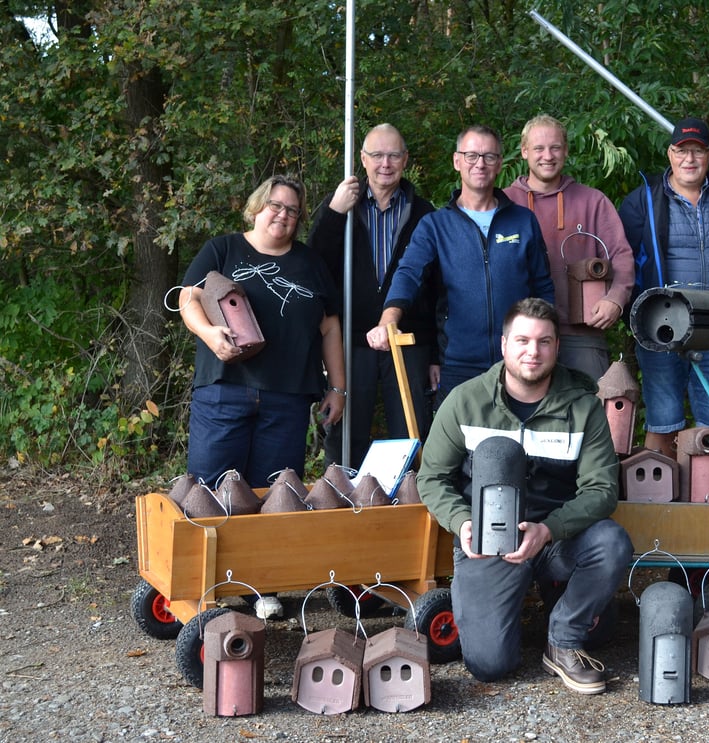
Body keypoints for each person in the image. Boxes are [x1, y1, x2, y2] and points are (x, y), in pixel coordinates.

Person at [417, 298, 633, 694]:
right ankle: (515, 606)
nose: (532, 352)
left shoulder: (584, 408)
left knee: (612, 541)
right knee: (489, 664)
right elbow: (431, 478)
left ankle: (563, 638)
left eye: (544, 342)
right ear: (504, 345)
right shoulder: (465, 401)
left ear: (556, 348)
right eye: (522, 340)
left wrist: (548, 530)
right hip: (488, 541)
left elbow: (602, 490)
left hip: (557, 538)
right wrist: (462, 522)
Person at [179, 174, 346, 619]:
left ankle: (260, 589)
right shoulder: (224, 249)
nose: (283, 215)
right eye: (276, 205)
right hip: (224, 391)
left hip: (288, 398)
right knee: (211, 490)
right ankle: (202, 590)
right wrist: (209, 332)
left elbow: (330, 328)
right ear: (256, 207)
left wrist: (337, 387)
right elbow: (187, 299)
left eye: (292, 210)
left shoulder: (311, 263)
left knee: (274, 495)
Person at [367, 124, 554, 403]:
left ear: (500, 163)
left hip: (520, 364)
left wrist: (546, 345)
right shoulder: (434, 225)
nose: (480, 163)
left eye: (489, 156)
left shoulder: (523, 221)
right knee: (460, 447)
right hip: (459, 368)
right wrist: (389, 319)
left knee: (520, 446)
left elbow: (543, 288)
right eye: (471, 155)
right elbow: (408, 274)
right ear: (457, 161)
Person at [619, 116, 709, 455]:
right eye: (681, 150)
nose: (689, 159)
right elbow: (618, 256)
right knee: (662, 421)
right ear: (669, 154)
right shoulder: (643, 200)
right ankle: (660, 503)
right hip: (660, 327)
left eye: (697, 151)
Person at [307, 124, 437, 468]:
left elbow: (438, 286)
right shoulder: (342, 207)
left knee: (410, 431)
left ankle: (404, 506)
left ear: (405, 159)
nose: (385, 163)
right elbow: (314, 263)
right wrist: (334, 211)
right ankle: (341, 502)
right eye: (377, 155)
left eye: (394, 155)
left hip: (408, 339)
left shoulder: (425, 213)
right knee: (346, 431)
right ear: (363, 159)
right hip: (350, 338)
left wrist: (436, 353)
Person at [504, 115, 634, 380]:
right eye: (538, 148)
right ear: (524, 151)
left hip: (581, 336)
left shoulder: (593, 201)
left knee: (587, 413)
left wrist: (615, 299)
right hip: (522, 339)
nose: (547, 156)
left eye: (555, 147)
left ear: (565, 150)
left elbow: (621, 255)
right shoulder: (504, 203)